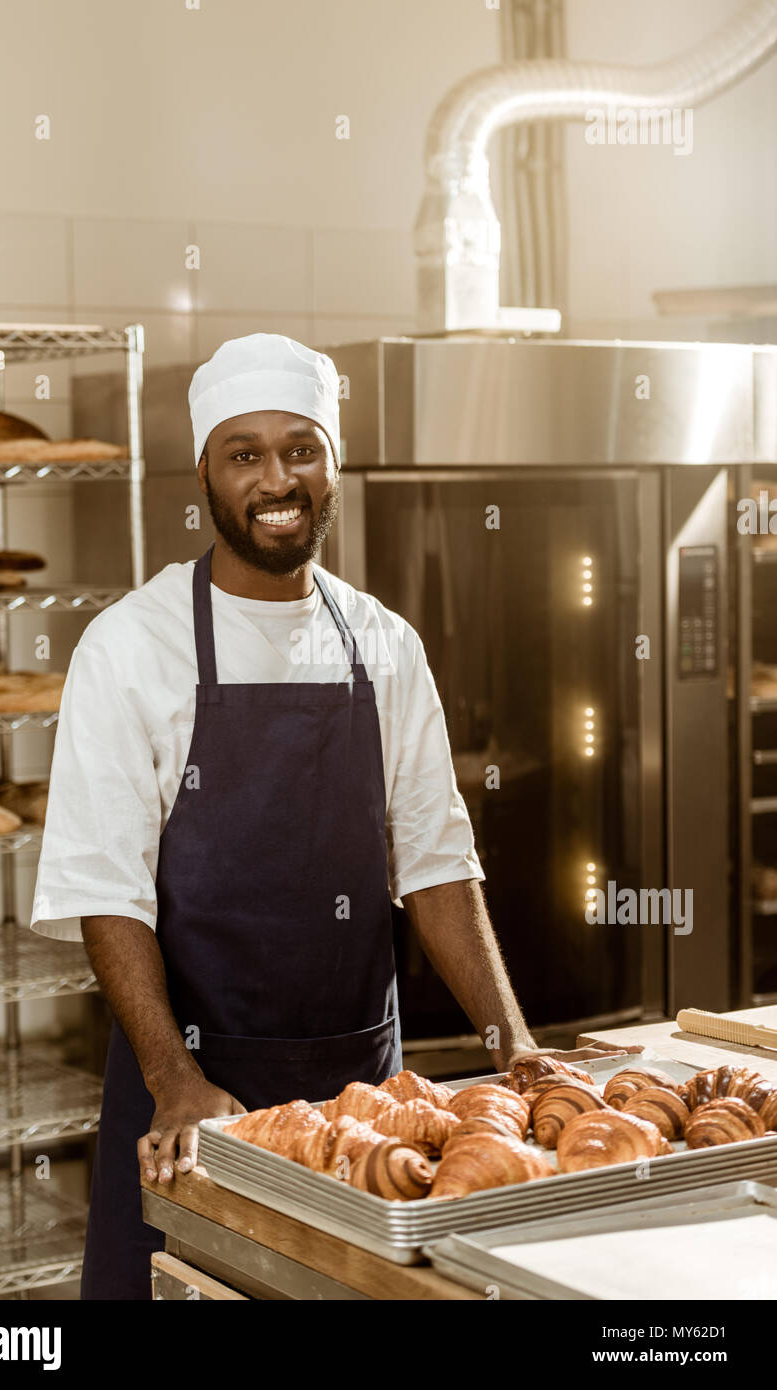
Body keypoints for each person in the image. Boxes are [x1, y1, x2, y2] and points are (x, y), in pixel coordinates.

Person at [31, 333, 630, 1299]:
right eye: (246, 453)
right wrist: (171, 1076)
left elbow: (435, 864)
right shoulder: (130, 646)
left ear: (331, 464)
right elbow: (107, 890)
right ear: (206, 475)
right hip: (196, 1087)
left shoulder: (384, 644)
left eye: (301, 448)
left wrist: (508, 1043)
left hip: (364, 1093)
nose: (279, 477)